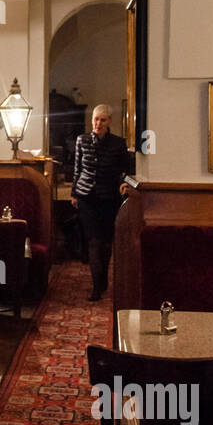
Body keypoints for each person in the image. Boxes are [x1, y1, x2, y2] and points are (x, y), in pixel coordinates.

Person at [71, 105, 132, 302]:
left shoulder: (118, 143)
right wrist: (74, 193)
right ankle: (96, 286)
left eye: (103, 120)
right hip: (86, 197)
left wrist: (124, 182)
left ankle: (103, 279)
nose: (98, 123)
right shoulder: (82, 140)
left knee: (106, 242)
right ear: (92, 121)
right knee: (94, 241)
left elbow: (125, 169)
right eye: (96, 119)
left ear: (109, 122)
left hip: (109, 197)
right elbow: (77, 168)